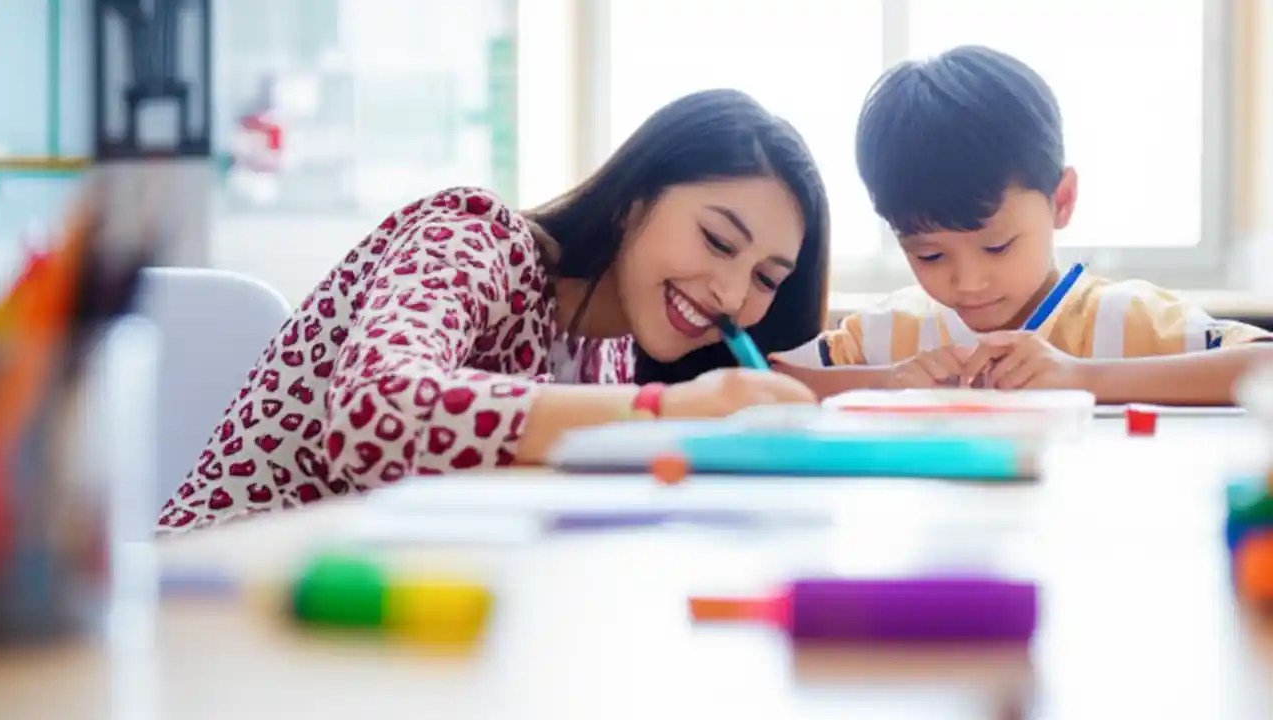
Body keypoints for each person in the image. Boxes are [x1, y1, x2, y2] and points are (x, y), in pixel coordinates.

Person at [158, 89, 828, 532]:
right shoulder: (472, 237)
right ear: (633, 201)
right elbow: (372, 414)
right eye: (717, 241)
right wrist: (668, 411)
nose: (731, 295)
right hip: (213, 599)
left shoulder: (609, 358)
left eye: (765, 278)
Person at [774, 46, 1273, 405]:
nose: (968, 282)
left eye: (997, 246)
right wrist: (884, 381)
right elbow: (766, 383)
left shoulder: (1128, 320)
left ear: (1062, 200)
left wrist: (1085, 377)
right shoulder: (887, 333)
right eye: (929, 255)